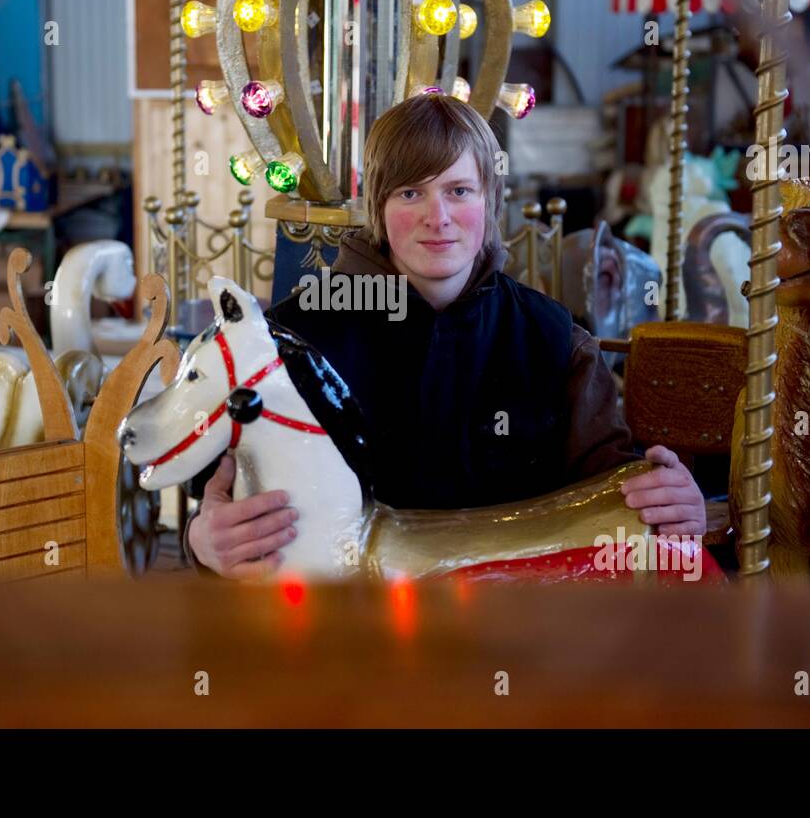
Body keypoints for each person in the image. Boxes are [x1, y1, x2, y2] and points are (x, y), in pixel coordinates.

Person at [186, 93, 706, 579]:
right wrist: (203, 539)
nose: (438, 218)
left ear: (490, 200)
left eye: (458, 190)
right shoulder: (288, 340)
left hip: (512, 622)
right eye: (411, 192)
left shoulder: (553, 339)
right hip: (338, 624)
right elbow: (217, 492)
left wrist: (670, 501)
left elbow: (608, 488)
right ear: (378, 209)